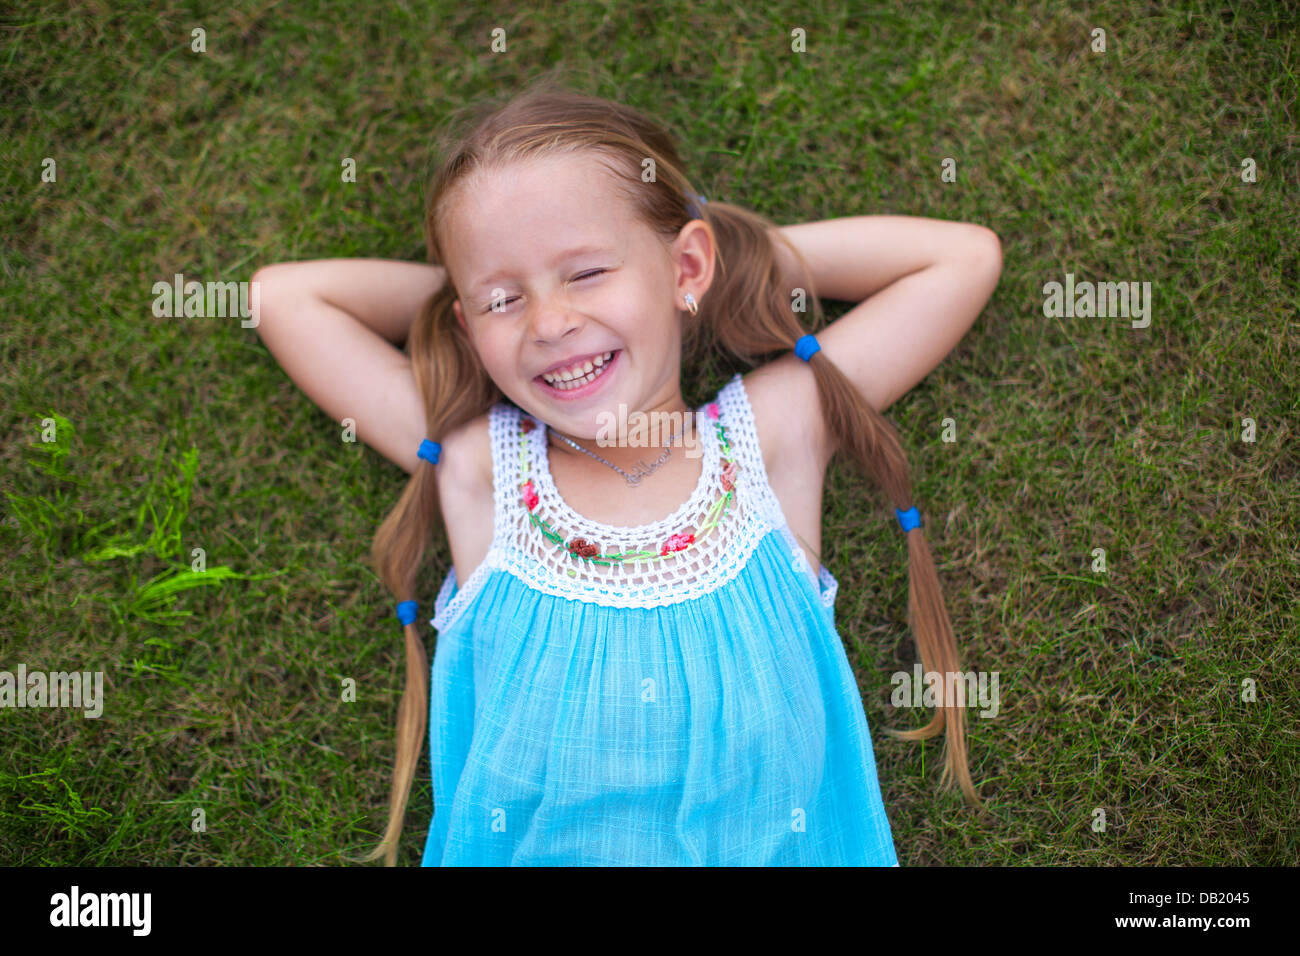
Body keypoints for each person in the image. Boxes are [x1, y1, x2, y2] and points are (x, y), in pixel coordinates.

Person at [252, 83, 1002, 866]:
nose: (548, 324)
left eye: (585, 274)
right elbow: (284, 299)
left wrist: (728, 264)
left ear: (687, 264)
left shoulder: (772, 438)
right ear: (467, 330)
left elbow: (959, 260)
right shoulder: (482, 469)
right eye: (508, 300)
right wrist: (469, 309)